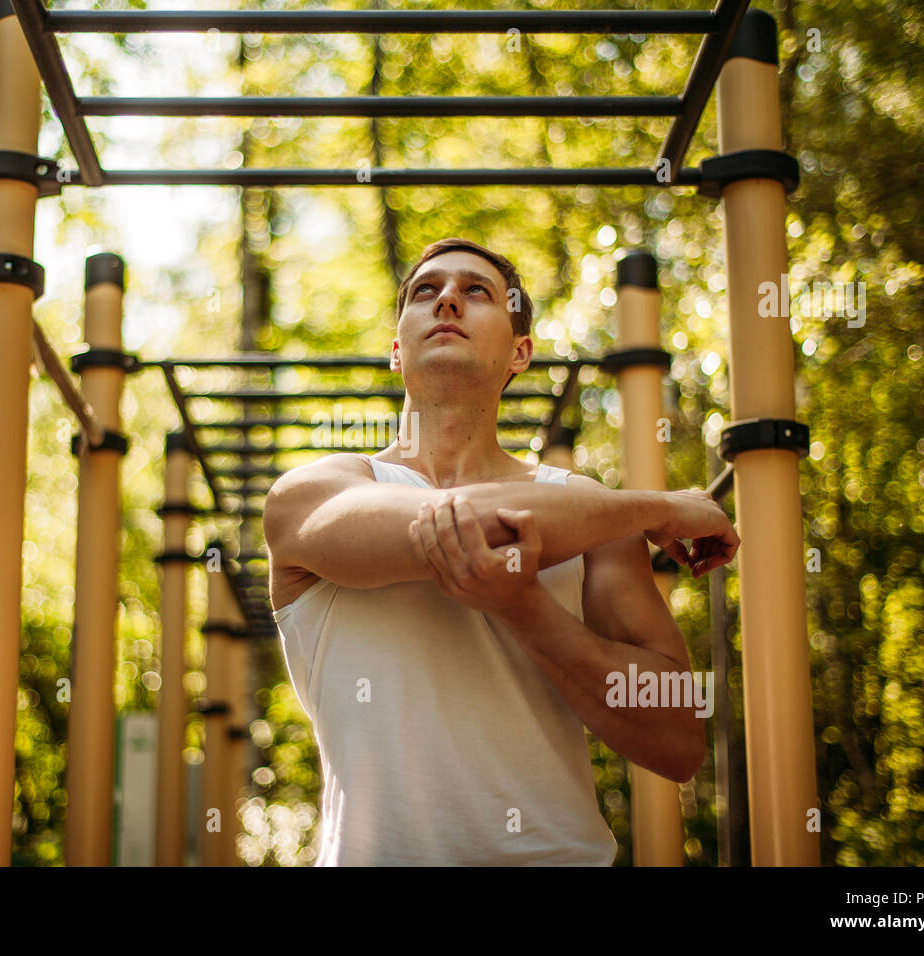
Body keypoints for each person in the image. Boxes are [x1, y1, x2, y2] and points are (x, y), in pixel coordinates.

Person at [262, 237, 740, 866]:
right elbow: (451, 525)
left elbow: (678, 741)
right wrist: (655, 506)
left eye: (477, 291)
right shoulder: (310, 495)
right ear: (397, 350)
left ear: (520, 352)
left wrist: (524, 610)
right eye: (426, 292)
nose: (448, 300)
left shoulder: (592, 513)